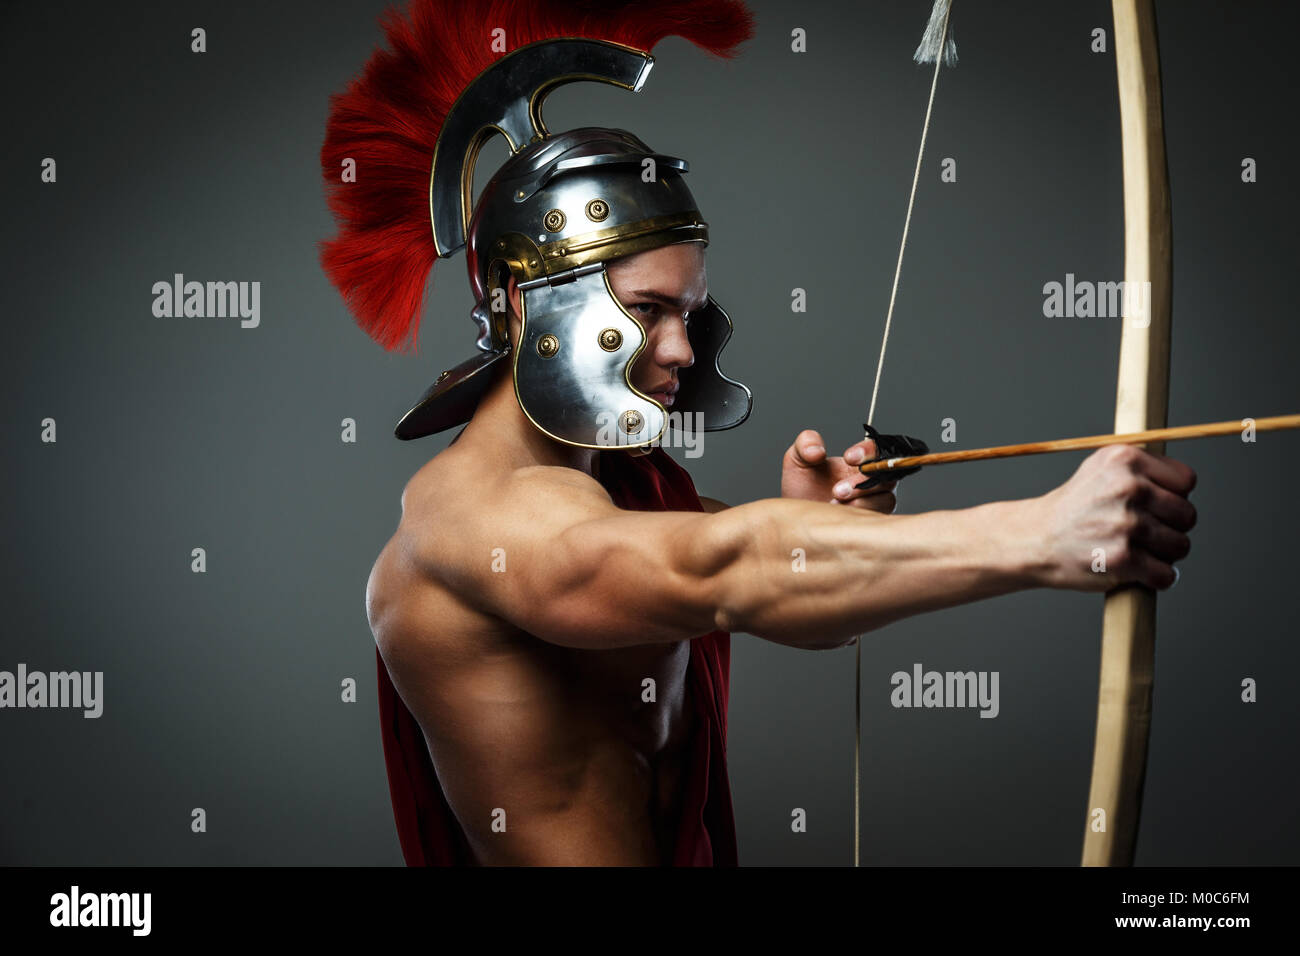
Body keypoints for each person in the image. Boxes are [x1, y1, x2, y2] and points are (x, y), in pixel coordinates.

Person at [321, 0, 1196, 866]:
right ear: (521, 303)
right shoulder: (471, 522)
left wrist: (821, 522)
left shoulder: (623, 499)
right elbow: (727, 571)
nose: (676, 350)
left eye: (689, 314)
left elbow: (791, 604)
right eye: (648, 310)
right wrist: (1048, 534)